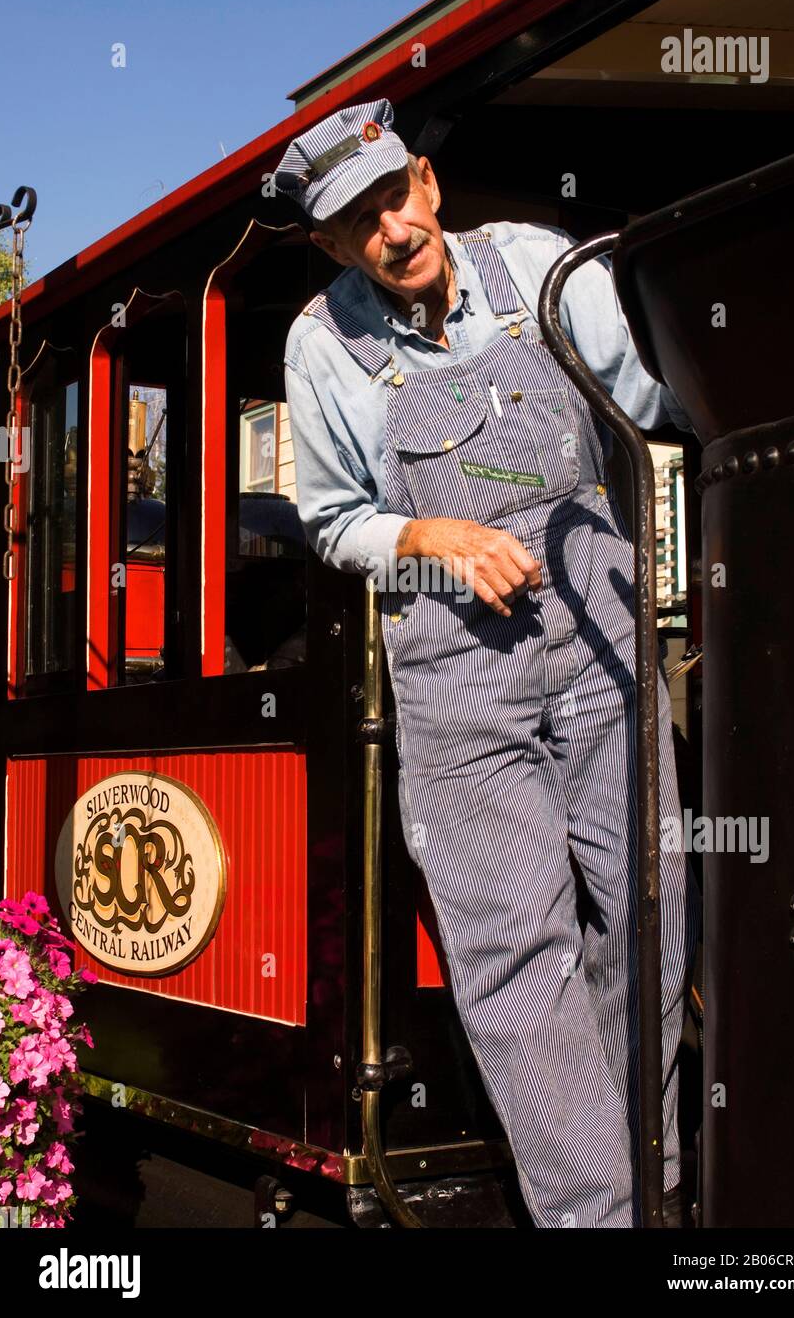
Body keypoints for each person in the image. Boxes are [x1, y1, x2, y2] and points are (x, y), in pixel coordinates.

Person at [275, 98, 700, 1229]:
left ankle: (643, 1184)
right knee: (517, 958)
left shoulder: (542, 273)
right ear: (328, 246)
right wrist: (427, 538)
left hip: (602, 637)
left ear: (425, 182)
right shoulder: (323, 345)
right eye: (352, 226)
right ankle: (590, 1218)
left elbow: (655, 402)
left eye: (391, 199)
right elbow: (329, 519)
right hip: (458, 681)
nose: (387, 231)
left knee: (655, 917)